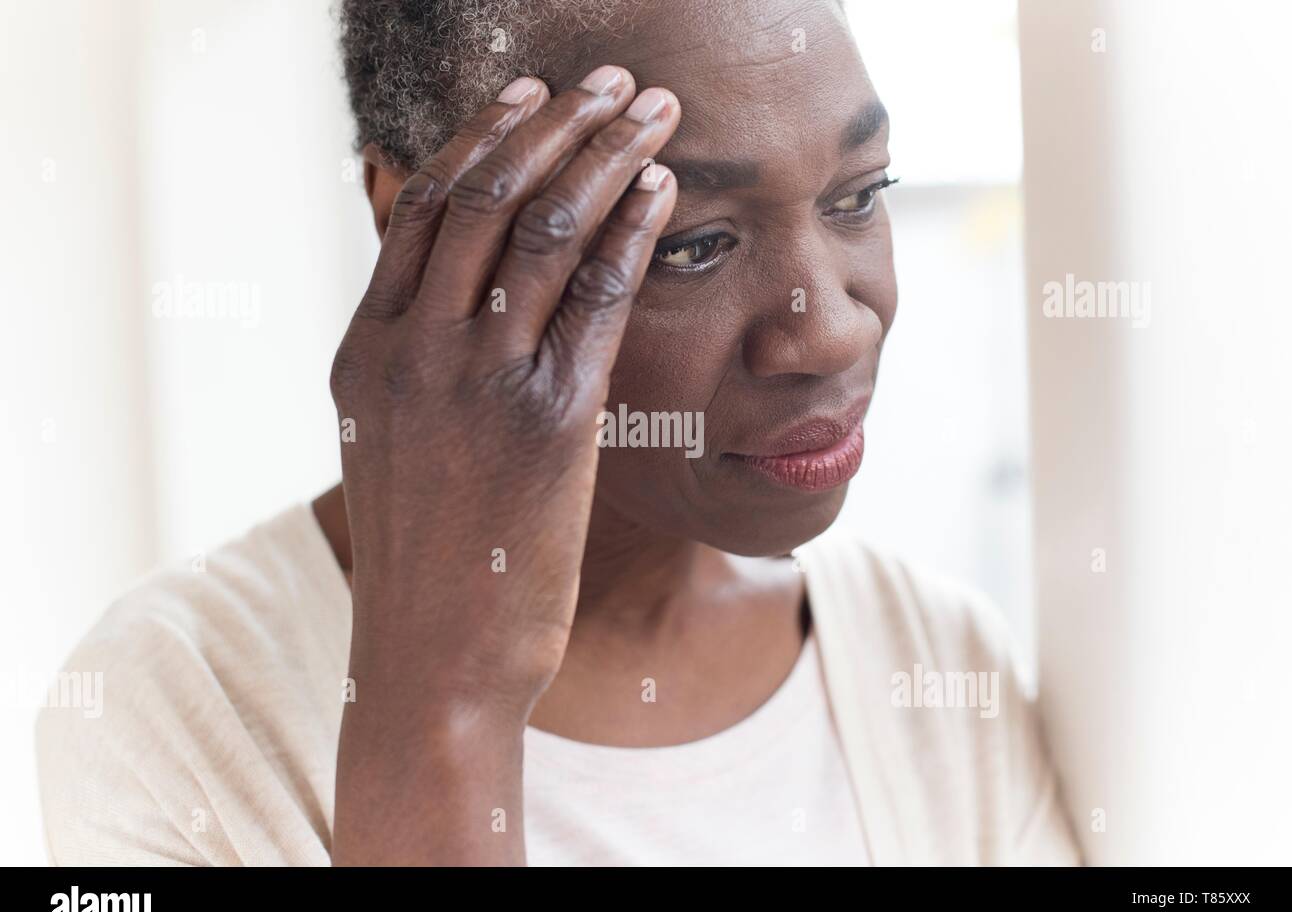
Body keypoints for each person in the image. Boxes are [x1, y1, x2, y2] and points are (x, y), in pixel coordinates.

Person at [36, 0, 1079, 866]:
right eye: (694, 243)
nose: (833, 325)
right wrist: (448, 701)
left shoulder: (930, 658)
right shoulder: (178, 706)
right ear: (419, 222)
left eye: (859, 194)